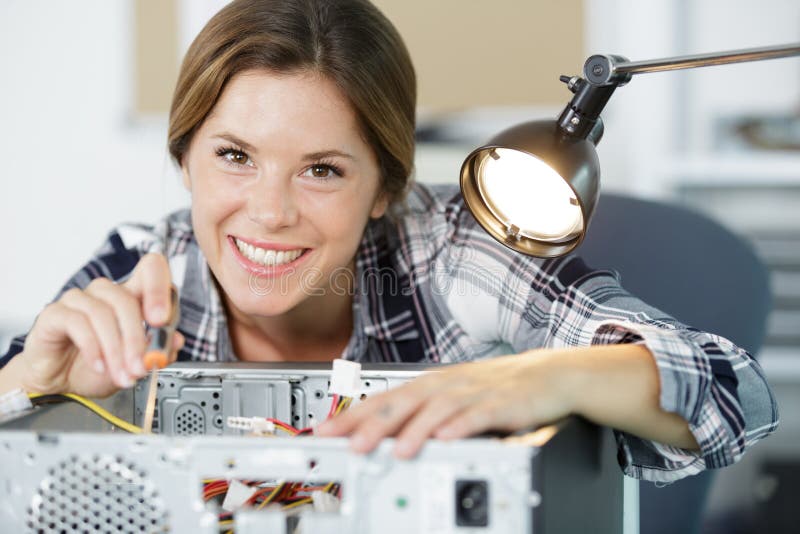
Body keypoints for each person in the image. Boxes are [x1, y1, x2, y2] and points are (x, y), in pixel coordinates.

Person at [0, 0, 778, 483]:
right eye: (235, 156)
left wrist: (548, 379)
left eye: (323, 170)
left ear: (385, 189)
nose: (268, 213)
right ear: (184, 160)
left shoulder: (456, 252)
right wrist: (23, 393)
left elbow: (733, 390)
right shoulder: (142, 265)